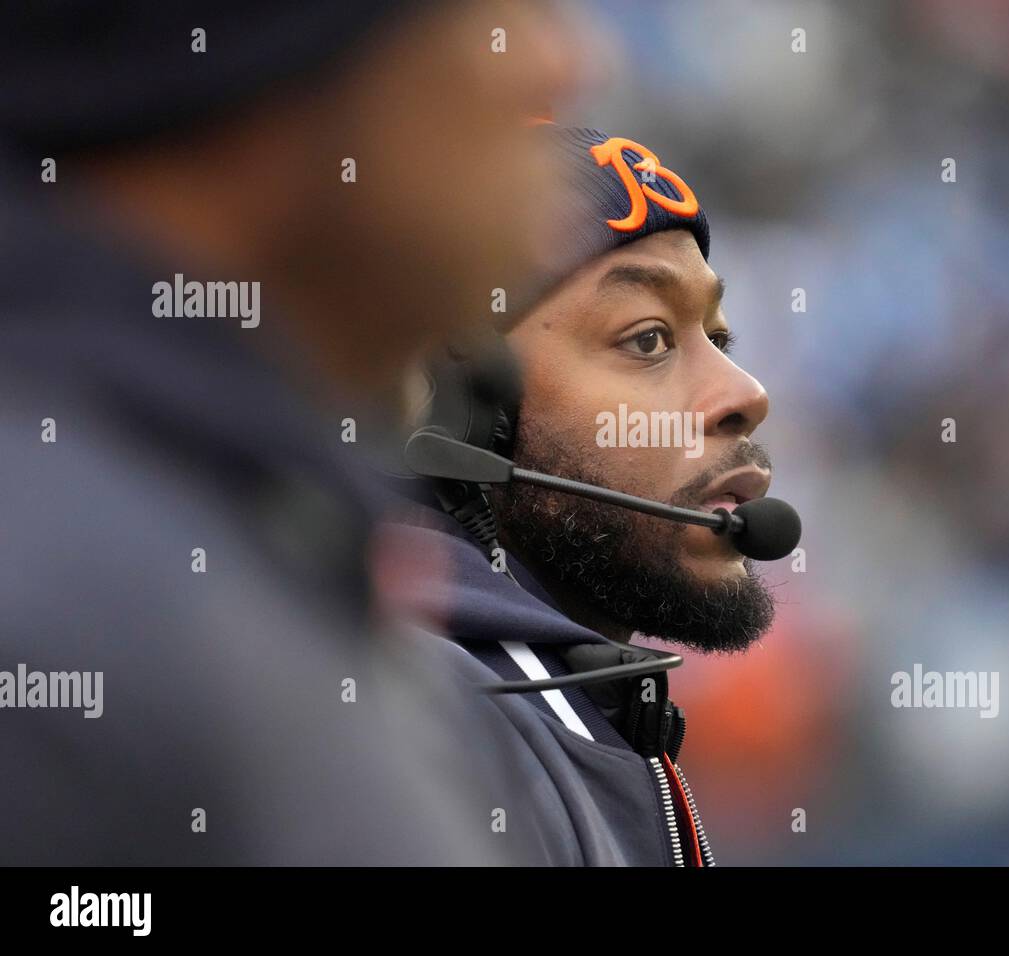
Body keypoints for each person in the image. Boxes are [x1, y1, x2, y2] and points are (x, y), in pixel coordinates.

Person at [0, 0, 582, 864]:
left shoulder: (255, 521)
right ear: (260, 70)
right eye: (495, 16)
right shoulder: (70, 603)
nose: (565, 66)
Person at [377, 126, 784, 866]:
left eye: (717, 339)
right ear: (459, 410)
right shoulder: (435, 734)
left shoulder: (555, 706)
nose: (745, 395)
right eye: (648, 339)